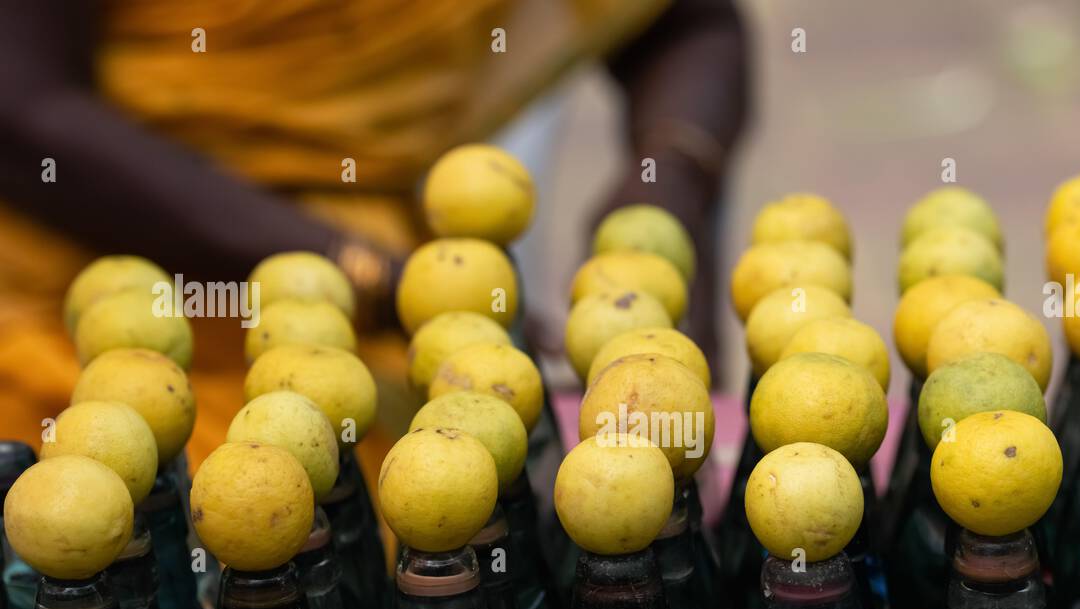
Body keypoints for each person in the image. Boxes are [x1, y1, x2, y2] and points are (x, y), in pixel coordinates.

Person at [0, 0, 748, 480]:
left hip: (382, 349)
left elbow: (683, 19)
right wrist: (362, 274)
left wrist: (671, 175)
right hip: (66, 323)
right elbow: (21, 108)